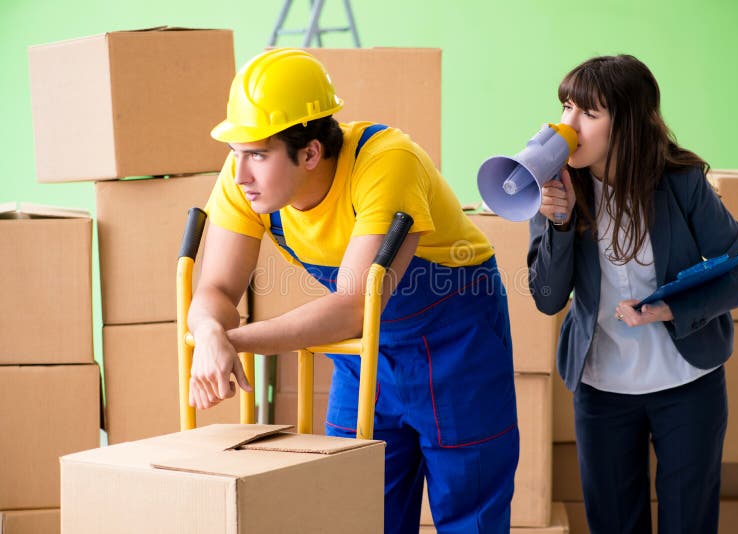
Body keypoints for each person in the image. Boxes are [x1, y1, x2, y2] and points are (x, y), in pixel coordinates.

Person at [187, 48, 519, 534]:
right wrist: (210, 329)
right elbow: (214, 288)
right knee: (358, 506)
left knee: (469, 512)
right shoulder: (245, 182)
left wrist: (232, 341)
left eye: (258, 154)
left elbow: (352, 308)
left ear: (311, 152)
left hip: (454, 344)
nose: (240, 174)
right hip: (364, 356)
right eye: (237, 153)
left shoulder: (386, 163)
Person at [527, 55, 738, 534]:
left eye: (588, 113)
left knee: (688, 521)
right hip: (601, 391)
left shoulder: (682, 182)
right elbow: (549, 299)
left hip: (688, 384)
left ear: (628, 123)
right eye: (567, 106)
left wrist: (670, 309)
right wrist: (560, 222)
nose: (566, 124)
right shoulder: (554, 187)